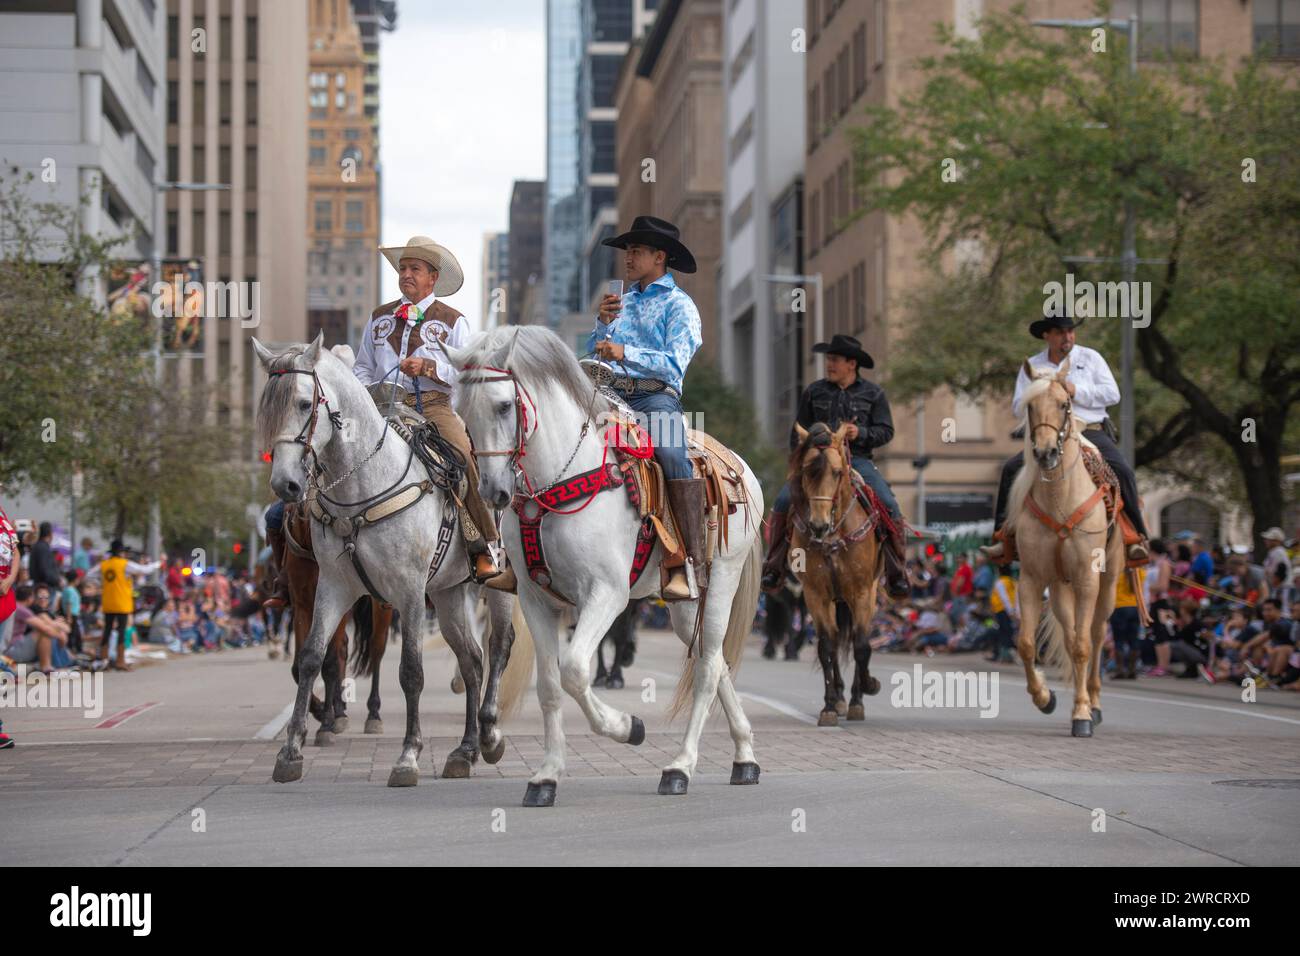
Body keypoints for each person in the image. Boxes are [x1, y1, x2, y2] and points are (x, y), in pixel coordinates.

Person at [353, 234, 501, 585]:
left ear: (432, 277)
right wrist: (367, 390)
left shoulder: (454, 321)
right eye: (403, 268)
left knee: (463, 456)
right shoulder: (378, 318)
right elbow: (361, 367)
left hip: (433, 407)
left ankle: (485, 546)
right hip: (381, 408)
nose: (406, 274)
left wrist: (430, 369)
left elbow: (470, 374)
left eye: (414, 268)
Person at [590, 215, 706, 601]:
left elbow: (675, 363)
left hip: (656, 397)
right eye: (627, 250)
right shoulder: (620, 302)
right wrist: (601, 326)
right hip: (611, 395)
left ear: (660, 257)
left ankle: (688, 559)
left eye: (636, 250)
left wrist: (626, 351)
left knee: (673, 454)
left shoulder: (681, 306)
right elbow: (598, 352)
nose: (628, 257)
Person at [982, 314, 1150, 563]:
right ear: (1046, 336)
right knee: (1010, 469)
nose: (1067, 337)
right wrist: (1038, 394)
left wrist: (1075, 390)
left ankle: (1135, 535)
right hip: (1049, 432)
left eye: (1070, 331)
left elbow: (1112, 394)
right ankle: (1002, 538)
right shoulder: (1032, 366)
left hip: (1089, 429)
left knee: (1122, 470)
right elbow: (1018, 406)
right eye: (1060, 332)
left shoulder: (1090, 358)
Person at [760, 333, 910, 597]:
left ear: (851, 364)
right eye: (828, 359)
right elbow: (797, 433)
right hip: (817, 464)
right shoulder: (814, 391)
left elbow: (886, 431)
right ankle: (774, 567)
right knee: (783, 502)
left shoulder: (874, 394)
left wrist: (860, 433)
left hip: (858, 461)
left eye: (834, 360)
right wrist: (799, 464)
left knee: (889, 503)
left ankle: (897, 572)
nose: (829, 364)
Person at [82, 539, 162, 671]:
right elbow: (144, 570)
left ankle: (103, 659)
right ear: (120, 552)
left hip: (108, 603)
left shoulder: (104, 565)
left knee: (107, 631)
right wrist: (157, 564)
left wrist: (100, 585)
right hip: (122, 603)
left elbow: (89, 575)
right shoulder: (124, 564)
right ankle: (120, 661)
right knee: (121, 632)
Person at [1109, 567, 1145, 679]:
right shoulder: (1139, 571)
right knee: (1134, 640)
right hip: (1134, 607)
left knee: (1119, 640)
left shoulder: (1116, 571)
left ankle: (1120, 670)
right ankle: (1132, 669)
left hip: (1119, 607)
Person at [29, 521, 62, 590]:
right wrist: (56, 580)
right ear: (50, 534)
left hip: (40, 584)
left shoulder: (38, 546)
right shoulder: (43, 548)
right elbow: (44, 569)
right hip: (45, 586)